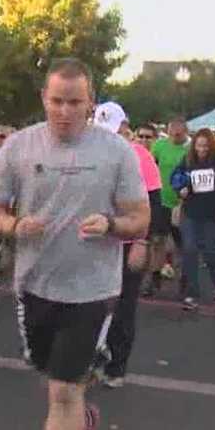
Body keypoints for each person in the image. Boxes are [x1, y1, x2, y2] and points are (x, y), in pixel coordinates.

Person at [0, 58, 149, 430]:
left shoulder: (116, 152)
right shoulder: (19, 146)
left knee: (63, 389)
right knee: (50, 376)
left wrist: (112, 225)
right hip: (34, 285)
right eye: (57, 101)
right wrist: (12, 225)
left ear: (90, 101)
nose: (65, 111)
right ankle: (85, 421)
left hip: (93, 289)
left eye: (75, 102)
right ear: (44, 100)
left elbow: (140, 217)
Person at [93, 105, 158, 388]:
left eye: (114, 129)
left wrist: (142, 242)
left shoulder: (140, 156)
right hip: (92, 241)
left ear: (125, 127)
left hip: (127, 240)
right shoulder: (86, 152)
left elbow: (154, 203)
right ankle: (91, 356)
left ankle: (116, 366)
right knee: (89, 302)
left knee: (122, 305)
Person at [171, 128, 215, 309]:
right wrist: (180, 188)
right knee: (189, 249)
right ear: (194, 145)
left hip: (213, 212)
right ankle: (191, 292)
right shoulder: (188, 159)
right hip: (191, 211)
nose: (202, 149)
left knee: (211, 250)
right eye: (199, 146)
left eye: (205, 146)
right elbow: (175, 176)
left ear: (212, 145)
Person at [148, 117, 189, 296]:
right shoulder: (159, 146)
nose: (175, 137)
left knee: (184, 245)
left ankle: (184, 282)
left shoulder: (190, 149)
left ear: (185, 133)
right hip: (162, 200)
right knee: (157, 241)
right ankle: (154, 279)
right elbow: (150, 166)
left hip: (183, 203)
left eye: (179, 135)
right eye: (172, 134)